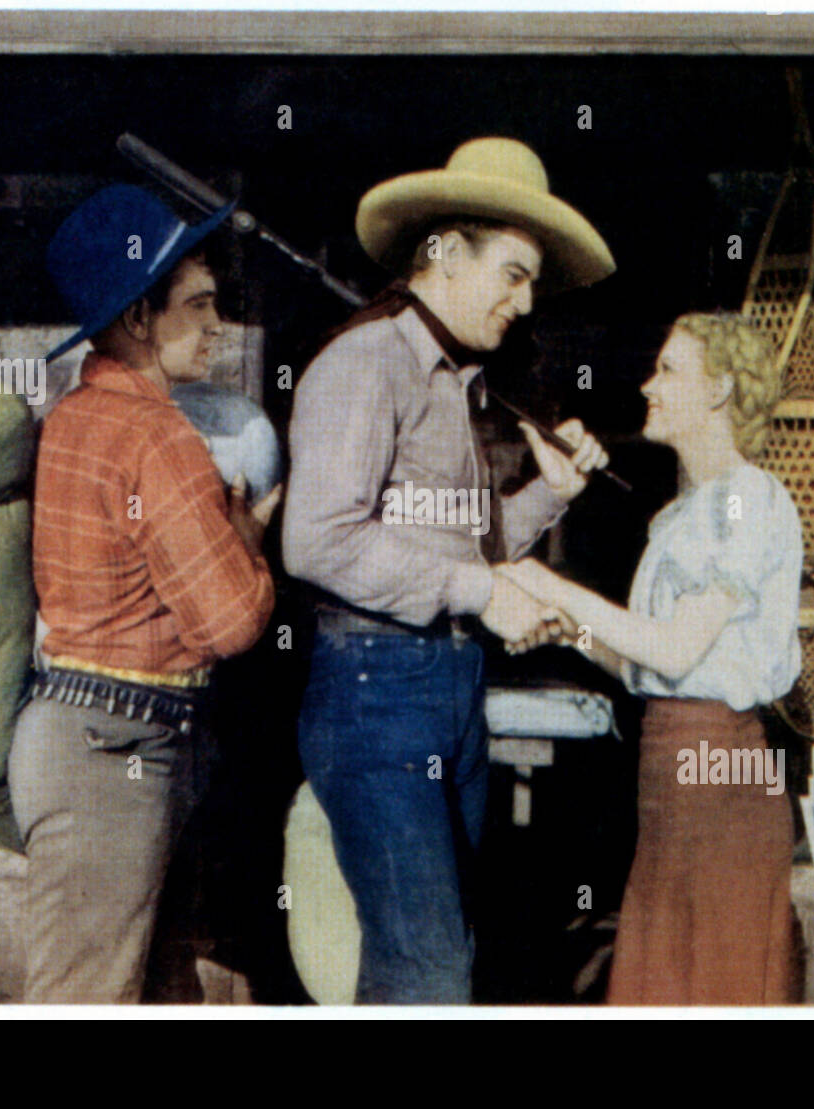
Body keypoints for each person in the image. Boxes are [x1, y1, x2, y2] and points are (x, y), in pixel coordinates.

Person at [282, 137, 616, 1003]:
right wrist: (479, 593)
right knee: (429, 973)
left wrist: (553, 490)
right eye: (512, 272)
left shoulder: (454, 384)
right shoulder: (365, 365)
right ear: (442, 254)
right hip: (377, 690)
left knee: (426, 961)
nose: (526, 299)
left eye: (534, 279)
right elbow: (316, 540)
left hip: (449, 685)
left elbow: (466, 546)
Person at [8, 185, 280, 1003]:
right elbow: (232, 621)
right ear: (136, 319)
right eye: (196, 304)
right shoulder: (158, 436)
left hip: (82, 737)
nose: (217, 323)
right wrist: (248, 541)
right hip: (117, 749)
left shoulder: (76, 417)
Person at [501, 311, 804, 1005]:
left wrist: (553, 585)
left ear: (722, 390)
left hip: (722, 789)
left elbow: (676, 647)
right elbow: (650, 668)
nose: (649, 384)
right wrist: (562, 632)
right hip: (669, 788)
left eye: (669, 369)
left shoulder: (750, 499)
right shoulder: (683, 515)